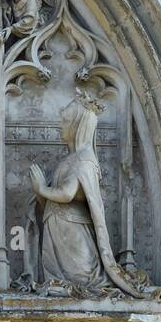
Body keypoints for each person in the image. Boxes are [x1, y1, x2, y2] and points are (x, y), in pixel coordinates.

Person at [24, 94, 141, 297]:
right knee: (63, 281)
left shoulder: (84, 160)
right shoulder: (71, 159)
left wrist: (42, 188)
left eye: (66, 121)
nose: (61, 125)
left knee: (82, 279)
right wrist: (41, 195)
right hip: (60, 231)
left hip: (73, 234)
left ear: (79, 126)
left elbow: (67, 193)